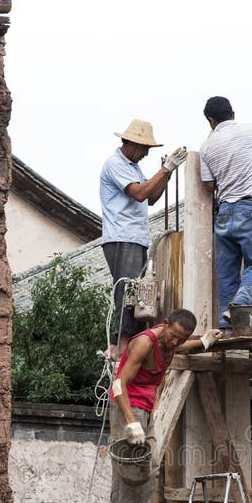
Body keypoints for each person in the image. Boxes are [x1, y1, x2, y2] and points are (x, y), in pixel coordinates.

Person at [100, 118, 188, 359]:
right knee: (127, 289)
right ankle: (120, 343)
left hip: (135, 236)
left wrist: (166, 174)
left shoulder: (133, 168)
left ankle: (126, 341)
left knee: (136, 291)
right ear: (133, 144)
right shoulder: (115, 164)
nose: (147, 153)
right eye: (145, 148)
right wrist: (165, 170)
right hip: (122, 235)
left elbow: (151, 198)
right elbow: (139, 194)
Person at [109, 307, 197, 503]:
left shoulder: (173, 341)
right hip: (126, 405)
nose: (176, 342)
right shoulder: (144, 343)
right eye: (173, 335)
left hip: (146, 407)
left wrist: (205, 342)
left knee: (151, 464)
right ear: (165, 324)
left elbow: (182, 343)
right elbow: (118, 384)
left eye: (182, 339)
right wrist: (131, 422)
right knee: (127, 463)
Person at [199, 96, 252, 330]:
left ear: (210, 120)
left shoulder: (206, 147)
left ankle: (225, 324)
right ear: (233, 114)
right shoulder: (251, 130)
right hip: (249, 208)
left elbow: (209, 185)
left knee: (227, 274)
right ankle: (242, 303)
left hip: (224, 212)